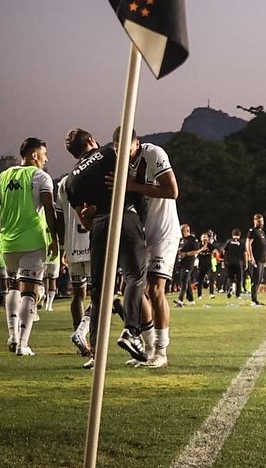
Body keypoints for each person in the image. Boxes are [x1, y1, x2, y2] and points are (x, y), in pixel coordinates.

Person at [63, 135, 149, 366]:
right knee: (134, 276)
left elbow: (84, 220)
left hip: (99, 224)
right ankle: (131, 331)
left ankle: (96, 353)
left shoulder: (70, 180)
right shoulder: (110, 151)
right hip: (124, 213)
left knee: (99, 288)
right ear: (91, 140)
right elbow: (133, 188)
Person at [0, 138, 59, 357]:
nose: (46, 158)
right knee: (29, 291)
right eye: (44, 154)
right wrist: (54, 238)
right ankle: (23, 343)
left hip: (8, 243)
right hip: (33, 242)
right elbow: (49, 209)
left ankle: (12, 335)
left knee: (14, 287)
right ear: (34, 155)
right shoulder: (40, 177)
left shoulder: (3, 176)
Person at [118, 127, 181, 367]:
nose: (125, 153)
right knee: (132, 287)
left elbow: (172, 191)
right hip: (141, 232)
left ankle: (162, 351)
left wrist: (133, 187)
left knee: (155, 289)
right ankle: (146, 347)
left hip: (163, 231)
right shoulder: (120, 163)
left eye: (129, 148)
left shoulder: (153, 153)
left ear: (137, 143)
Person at [58, 128, 99, 357]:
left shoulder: (64, 181)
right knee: (101, 294)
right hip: (92, 242)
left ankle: (80, 338)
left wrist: (63, 246)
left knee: (78, 294)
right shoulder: (95, 172)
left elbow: (58, 216)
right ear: (91, 141)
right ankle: (84, 333)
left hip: (72, 246)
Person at [174, 225, 200, 307]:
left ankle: (180, 299)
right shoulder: (182, 239)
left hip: (188, 263)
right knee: (187, 281)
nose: (181, 233)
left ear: (187, 230)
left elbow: (196, 251)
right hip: (181, 262)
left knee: (184, 281)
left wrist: (186, 254)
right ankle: (191, 299)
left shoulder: (193, 239)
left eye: (182, 231)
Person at [245, 214, 266, 307]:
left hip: (262, 259)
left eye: (262, 221)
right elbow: (248, 243)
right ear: (254, 221)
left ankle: (255, 299)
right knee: (255, 279)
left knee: (259, 279)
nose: (261, 223)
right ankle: (253, 300)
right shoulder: (252, 231)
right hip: (256, 259)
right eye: (259, 221)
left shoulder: (261, 232)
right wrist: (250, 256)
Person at [223, 229, 247, 302]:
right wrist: (246, 263)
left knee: (230, 277)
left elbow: (224, 250)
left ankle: (230, 286)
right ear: (239, 235)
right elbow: (245, 253)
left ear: (232, 234)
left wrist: (225, 259)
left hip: (229, 262)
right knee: (239, 278)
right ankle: (238, 294)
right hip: (239, 262)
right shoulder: (242, 242)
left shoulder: (229, 241)